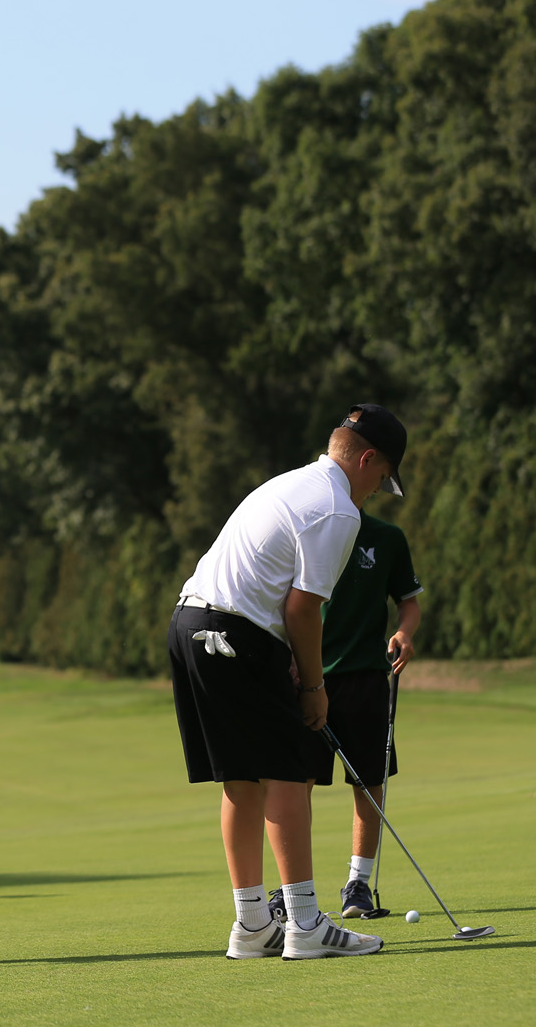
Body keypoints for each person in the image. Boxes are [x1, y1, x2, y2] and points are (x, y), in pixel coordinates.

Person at [167, 404, 407, 960]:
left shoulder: (291, 483)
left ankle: (252, 924)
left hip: (191, 624)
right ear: (367, 459)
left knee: (243, 778)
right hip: (234, 633)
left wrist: (286, 658)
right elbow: (303, 610)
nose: (374, 491)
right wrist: (314, 688)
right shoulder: (337, 510)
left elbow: (277, 596)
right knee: (287, 768)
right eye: (380, 479)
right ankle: (303, 923)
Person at [311, 509, 422, 918]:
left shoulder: (386, 536)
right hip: (308, 677)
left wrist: (404, 633)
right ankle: (293, 893)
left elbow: (408, 602)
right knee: (294, 783)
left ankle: (357, 883)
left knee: (368, 782)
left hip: (366, 678)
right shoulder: (307, 526)